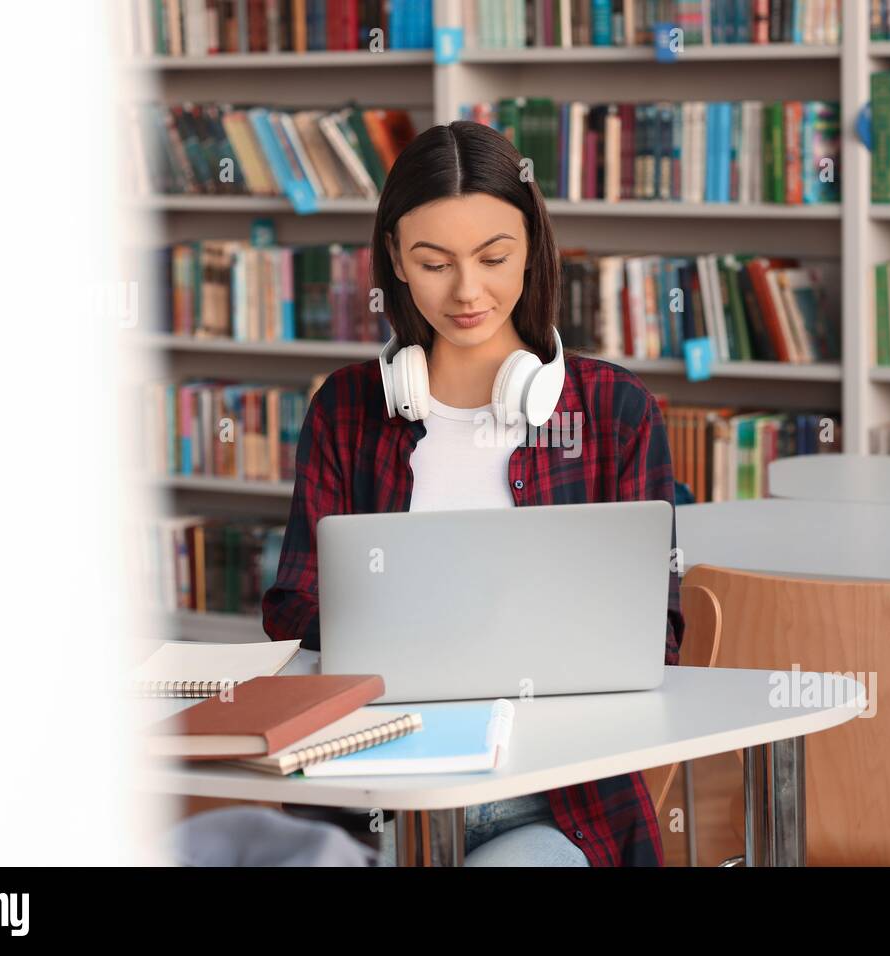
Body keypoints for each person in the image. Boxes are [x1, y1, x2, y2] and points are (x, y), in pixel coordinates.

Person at [262, 120, 685, 866]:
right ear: (394, 256)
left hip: (552, 802)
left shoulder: (615, 413)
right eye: (433, 263)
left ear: (533, 248)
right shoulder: (346, 409)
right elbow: (294, 612)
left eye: (495, 257)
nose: (467, 291)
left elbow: (656, 637)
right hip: (373, 794)